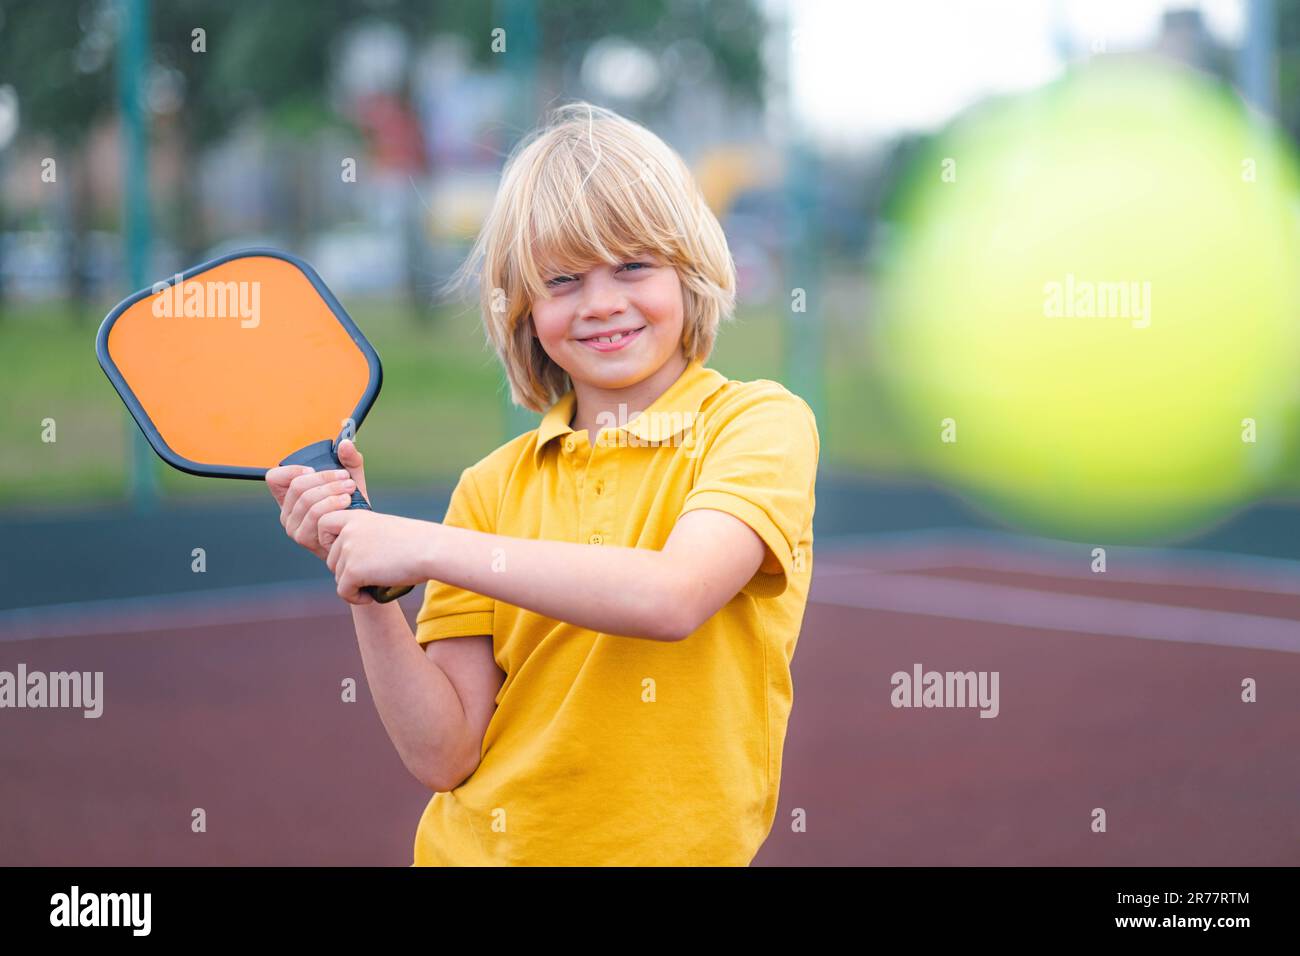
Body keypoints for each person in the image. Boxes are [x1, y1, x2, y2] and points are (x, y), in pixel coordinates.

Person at [265, 102, 819, 866]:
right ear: (526, 310)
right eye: (561, 280)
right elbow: (444, 755)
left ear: (689, 273)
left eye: (633, 266)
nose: (600, 303)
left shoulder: (756, 424)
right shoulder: (489, 489)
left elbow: (671, 597)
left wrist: (424, 547)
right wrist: (362, 568)